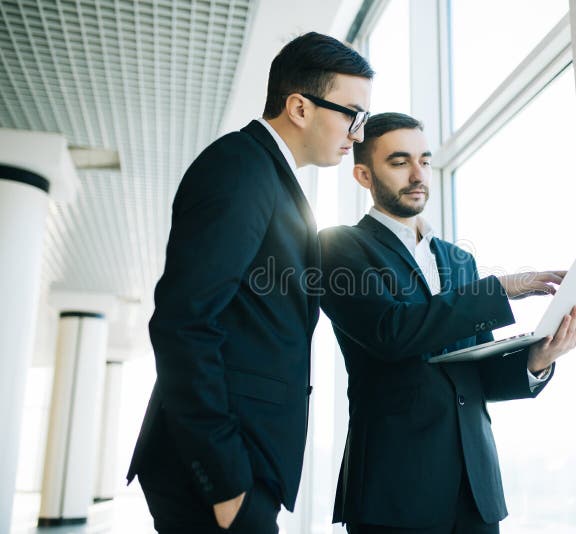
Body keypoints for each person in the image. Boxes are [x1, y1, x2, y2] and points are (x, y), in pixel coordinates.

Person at [126, 32, 373, 534]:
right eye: (353, 114)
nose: (358, 133)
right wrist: (226, 484)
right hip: (219, 470)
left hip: (244, 461)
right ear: (300, 107)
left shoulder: (266, 174)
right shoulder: (241, 168)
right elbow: (184, 322)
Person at [319, 112, 576, 534]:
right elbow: (393, 332)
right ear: (363, 174)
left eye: (424, 160)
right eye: (399, 161)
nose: (417, 173)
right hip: (394, 494)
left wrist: (538, 358)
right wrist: (498, 289)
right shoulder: (339, 247)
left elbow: (476, 374)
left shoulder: (459, 261)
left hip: (475, 492)